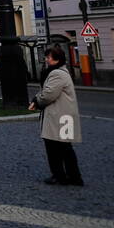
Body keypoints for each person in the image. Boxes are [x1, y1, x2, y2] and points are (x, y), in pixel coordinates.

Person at [30, 45, 83, 186]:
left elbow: (48, 94)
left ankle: (60, 176)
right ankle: (73, 176)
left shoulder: (56, 74)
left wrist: (37, 101)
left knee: (54, 147)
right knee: (65, 148)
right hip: (64, 116)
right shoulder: (62, 72)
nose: (46, 60)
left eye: (48, 57)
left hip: (59, 116)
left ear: (56, 59)